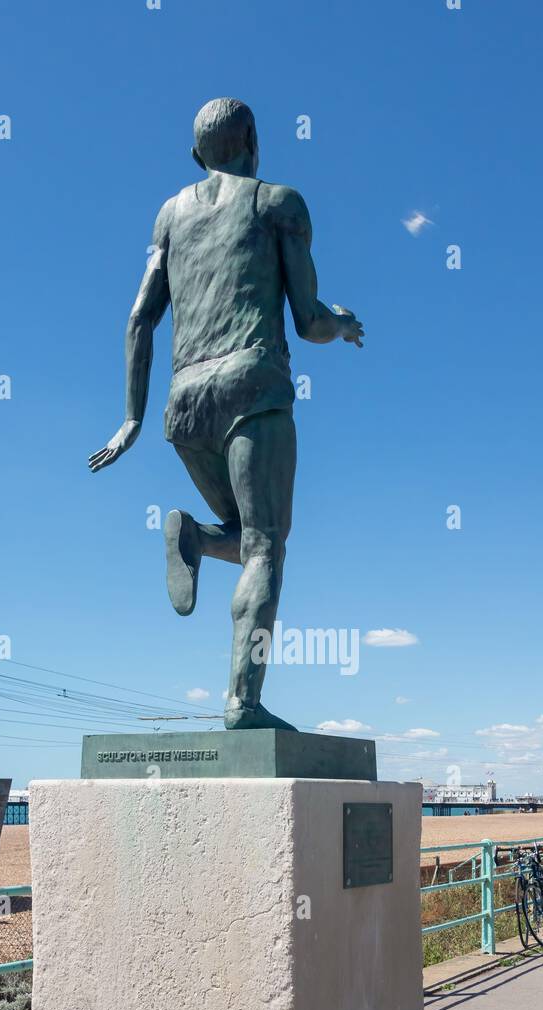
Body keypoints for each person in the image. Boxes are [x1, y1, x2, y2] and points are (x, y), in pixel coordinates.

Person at [89, 98, 363, 730]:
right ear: (254, 141)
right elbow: (308, 318)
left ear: (197, 156)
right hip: (252, 386)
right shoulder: (278, 203)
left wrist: (131, 418)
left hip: (183, 406)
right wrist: (344, 325)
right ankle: (243, 703)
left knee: (243, 536)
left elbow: (139, 319)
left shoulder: (170, 215)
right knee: (267, 548)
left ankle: (192, 535)